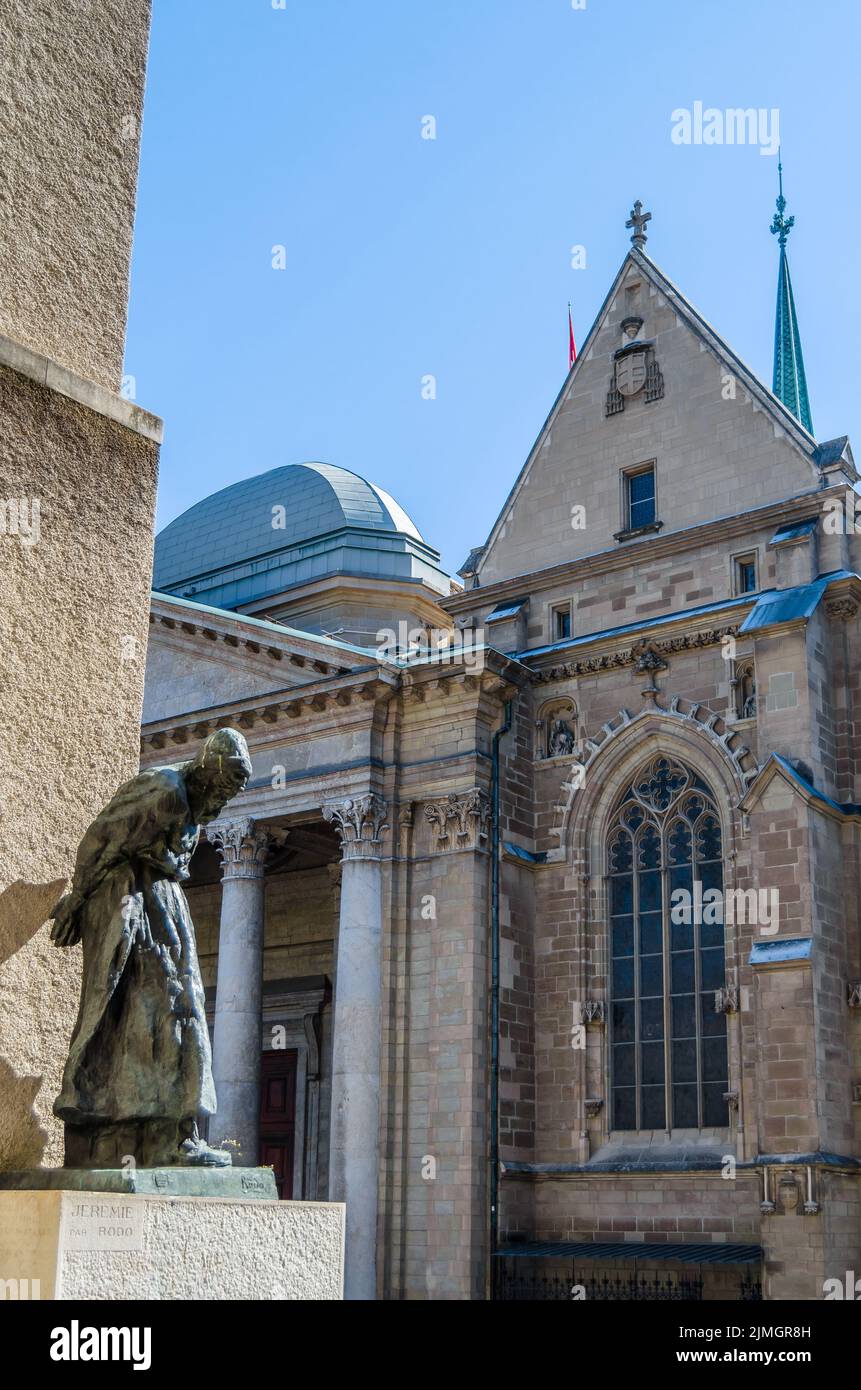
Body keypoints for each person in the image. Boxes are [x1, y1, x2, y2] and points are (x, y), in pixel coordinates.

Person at [50, 728, 252, 1169]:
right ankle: (142, 1134)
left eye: (230, 794)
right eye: (221, 790)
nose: (222, 803)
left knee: (182, 1003)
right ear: (205, 774)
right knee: (157, 1006)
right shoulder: (167, 790)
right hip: (129, 900)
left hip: (161, 901)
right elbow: (101, 840)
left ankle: (165, 1134)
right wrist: (77, 901)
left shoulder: (194, 806)